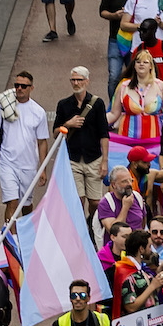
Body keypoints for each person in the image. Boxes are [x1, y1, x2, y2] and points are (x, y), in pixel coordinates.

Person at [0, 70, 49, 221]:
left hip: (28, 166)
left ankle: (26, 234)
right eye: (17, 85)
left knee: (25, 206)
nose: (19, 88)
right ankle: (11, 240)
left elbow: (42, 141)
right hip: (7, 163)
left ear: (31, 88)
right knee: (12, 203)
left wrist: (43, 169)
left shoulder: (39, 112)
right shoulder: (5, 107)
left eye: (23, 86)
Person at [54, 67, 111, 219]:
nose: (76, 83)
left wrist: (105, 161)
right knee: (77, 200)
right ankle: (79, 231)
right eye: (73, 80)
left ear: (87, 81)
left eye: (79, 80)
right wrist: (68, 124)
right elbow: (55, 133)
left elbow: (104, 134)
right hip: (73, 159)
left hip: (94, 158)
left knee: (95, 202)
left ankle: (91, 224)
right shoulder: (64, 104)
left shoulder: (97, 104)